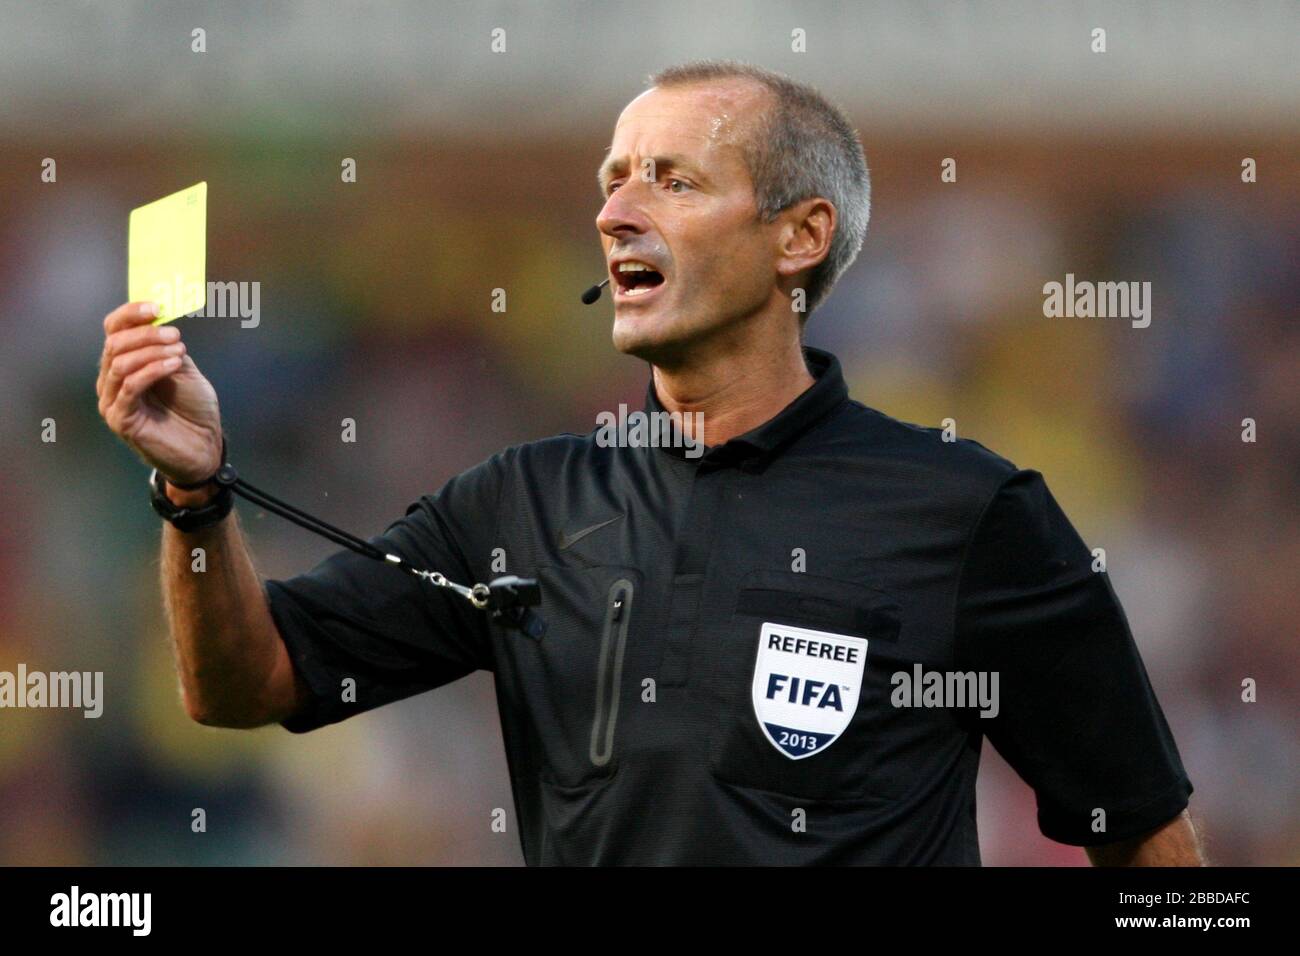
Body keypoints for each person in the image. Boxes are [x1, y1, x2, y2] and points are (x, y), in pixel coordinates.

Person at [95, 60, 1201, 865]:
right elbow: (247, 685)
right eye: (613, 179)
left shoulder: (967, 509)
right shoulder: (521, 501)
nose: (614, 212)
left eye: (670, 180)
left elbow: (1144, 832)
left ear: (797, 236)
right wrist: (193, 493)